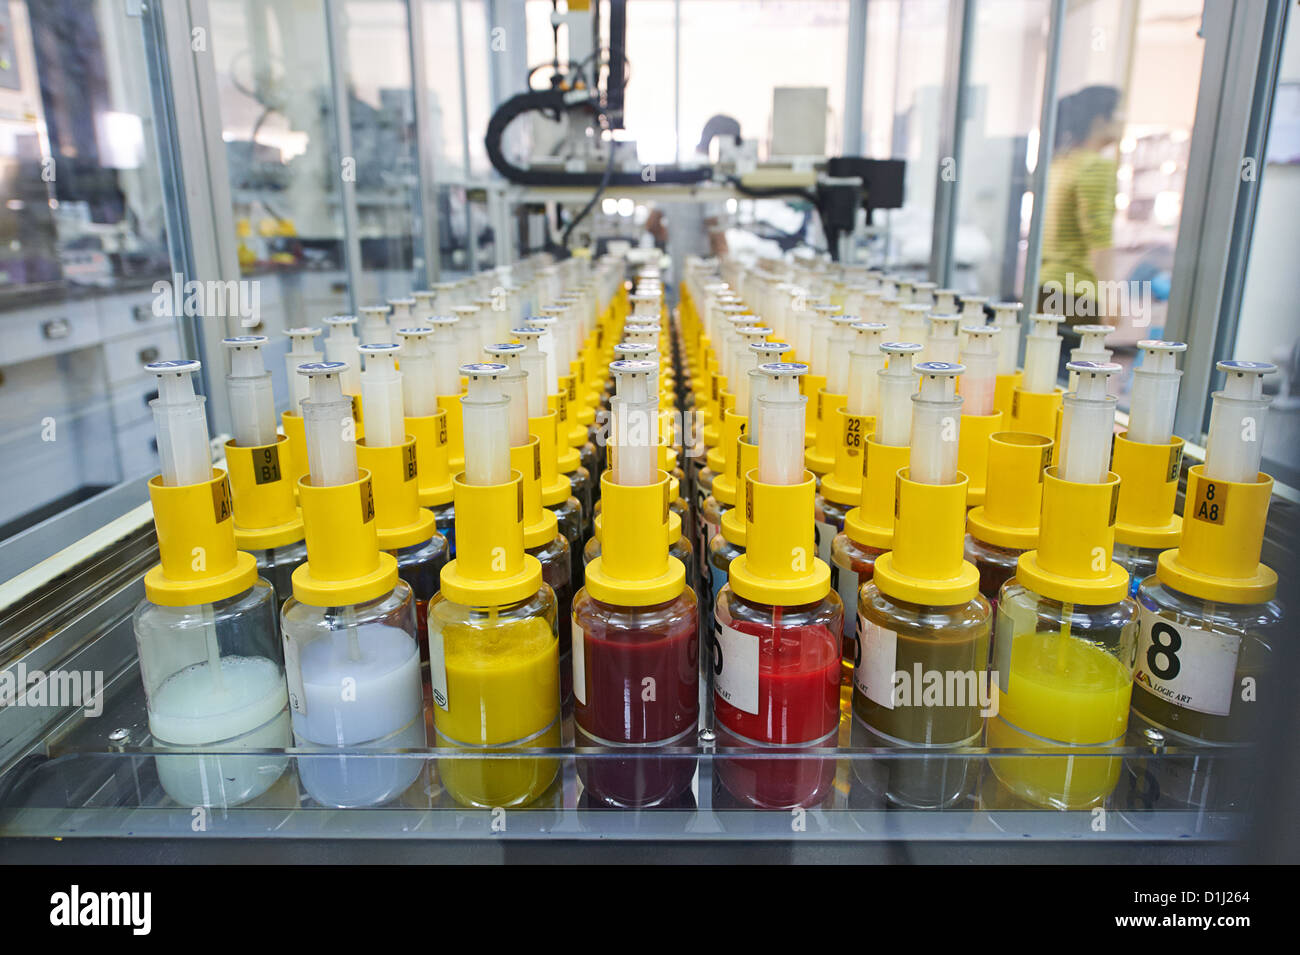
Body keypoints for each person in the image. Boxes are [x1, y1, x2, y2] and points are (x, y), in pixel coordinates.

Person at [1038, 85, 1122, 324]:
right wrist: (1109, 299)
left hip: (1046, 287)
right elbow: (1100, 239)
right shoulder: (1096, 166)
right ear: (1098, 120)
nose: (1120, 121)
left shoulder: (1059, 164)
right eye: (1117, 114)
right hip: (1076, 294)